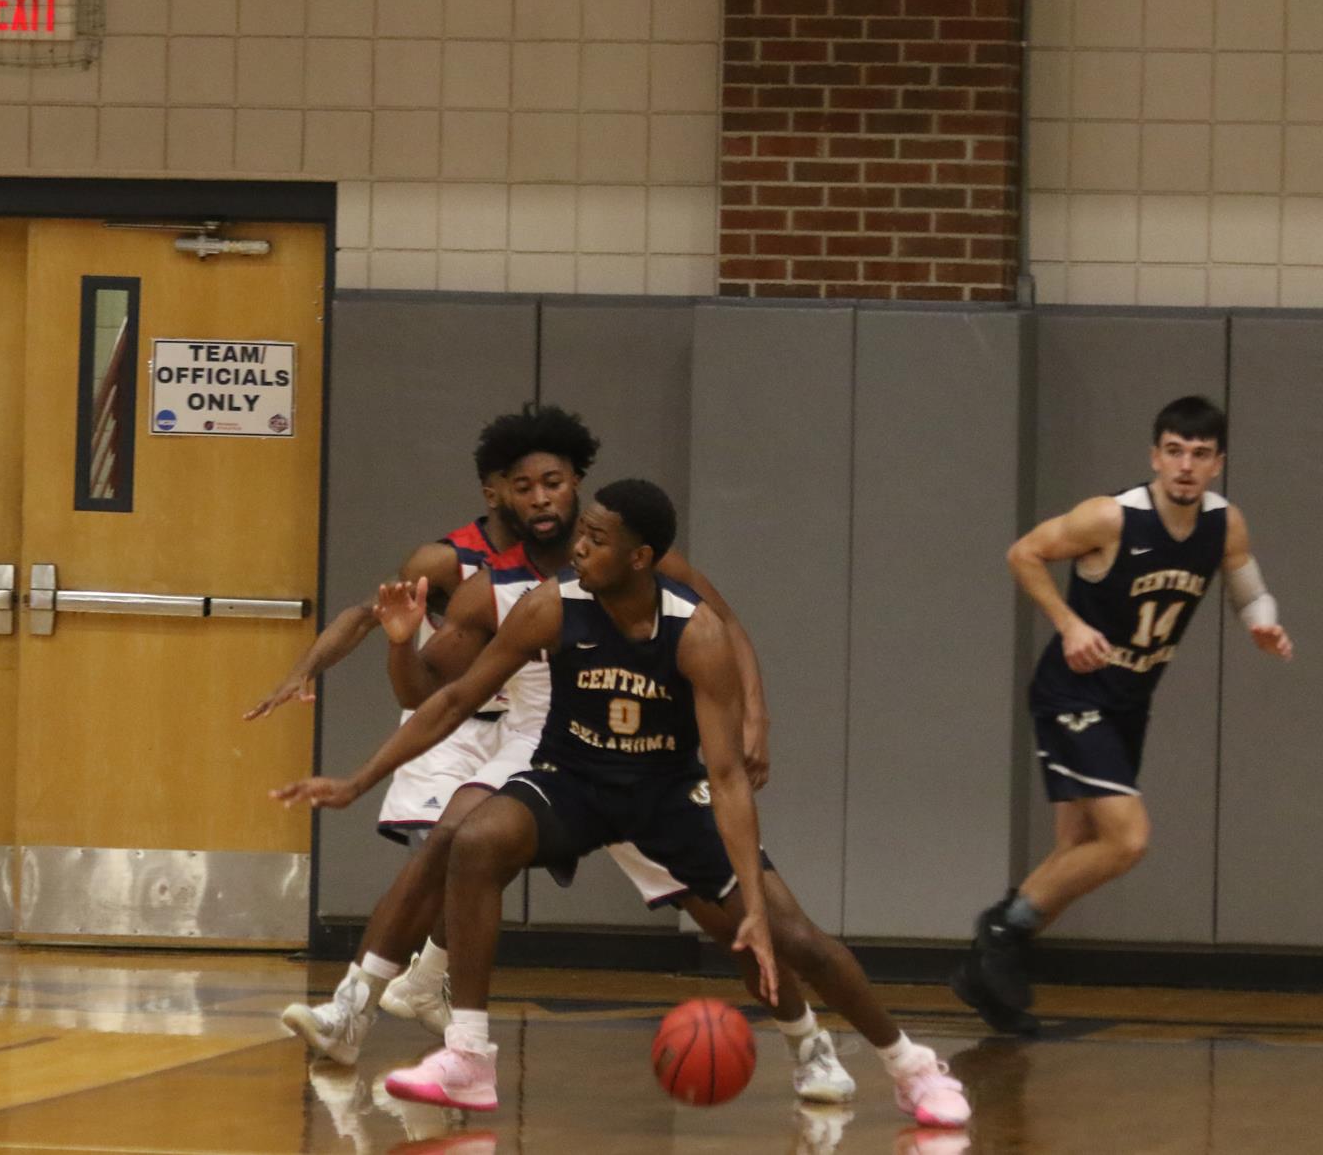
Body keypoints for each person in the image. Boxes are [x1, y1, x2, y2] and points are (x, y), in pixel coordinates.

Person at [277, 481, 970, 1128]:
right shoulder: (552, 604)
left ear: (641, 557)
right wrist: (357, 780)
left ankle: (908, 1063)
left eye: (598, 539)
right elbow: (454, 697)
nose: (580, 547)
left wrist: (754, 903)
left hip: (665, 794)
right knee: (474, 839)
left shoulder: (694, 632)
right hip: (573, 779)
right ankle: (469, 1056)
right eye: (582, 534)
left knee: (792, 935)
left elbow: (726, 776)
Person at [954, 396, 1293, 1034]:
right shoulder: (1110, 517)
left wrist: (1264, 624)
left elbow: (1248, 586)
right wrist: (1069, 622)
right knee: (1128, 840)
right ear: (1154, 456)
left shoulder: (1225, 524)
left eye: (1198, 454)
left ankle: (988, 979)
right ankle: (1000, 932)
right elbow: (1024, 553)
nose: (1184, 466)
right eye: (1173, 451)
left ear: (1217, 463)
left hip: (1129, 702)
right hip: (1072, 696)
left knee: (1078, 851)